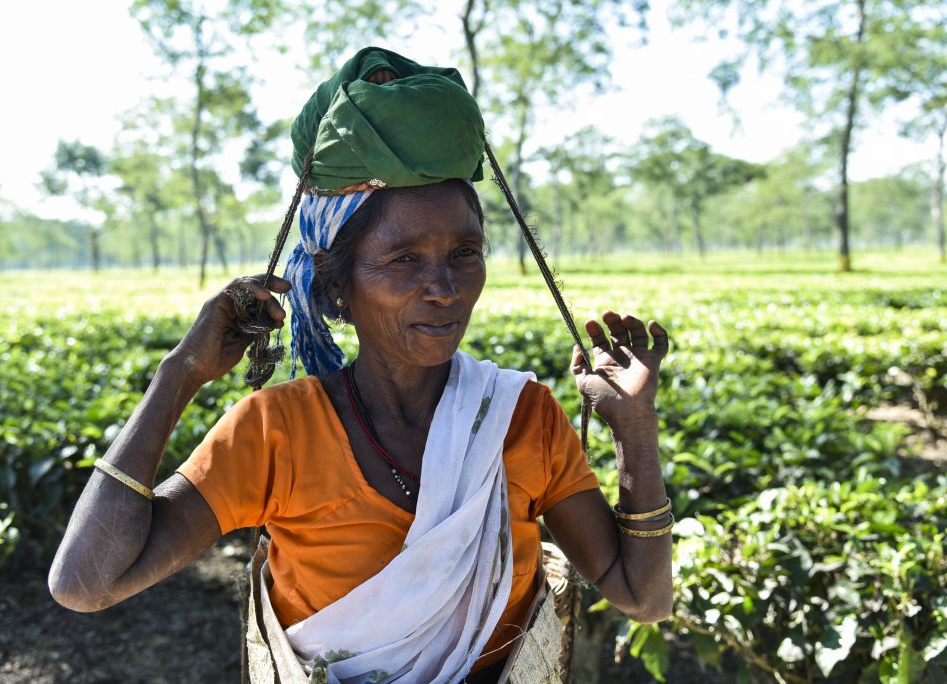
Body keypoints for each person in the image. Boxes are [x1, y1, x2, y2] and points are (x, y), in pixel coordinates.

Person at [49, 47, 673, 683]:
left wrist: (635, 430)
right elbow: (86, 583)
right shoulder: (276, 433)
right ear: (338, 285)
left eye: (464, 252)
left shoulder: (520, 418)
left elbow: (642, 597)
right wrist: (178, 373)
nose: (444, 287)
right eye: (403, 259)